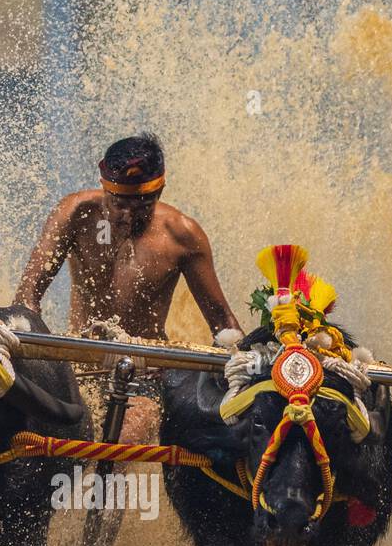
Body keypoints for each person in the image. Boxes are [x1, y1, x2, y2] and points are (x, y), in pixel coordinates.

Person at [13, 133, 242, 441]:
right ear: (105, 187)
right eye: (119, 203)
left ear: (160, 190)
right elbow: (27, 301)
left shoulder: (183, 236)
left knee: (121, 444)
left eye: (143, 204)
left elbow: (223, 325)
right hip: (76, 368)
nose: (127, 215)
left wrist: (248, 366)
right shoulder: (75, 214)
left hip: (144, 373)